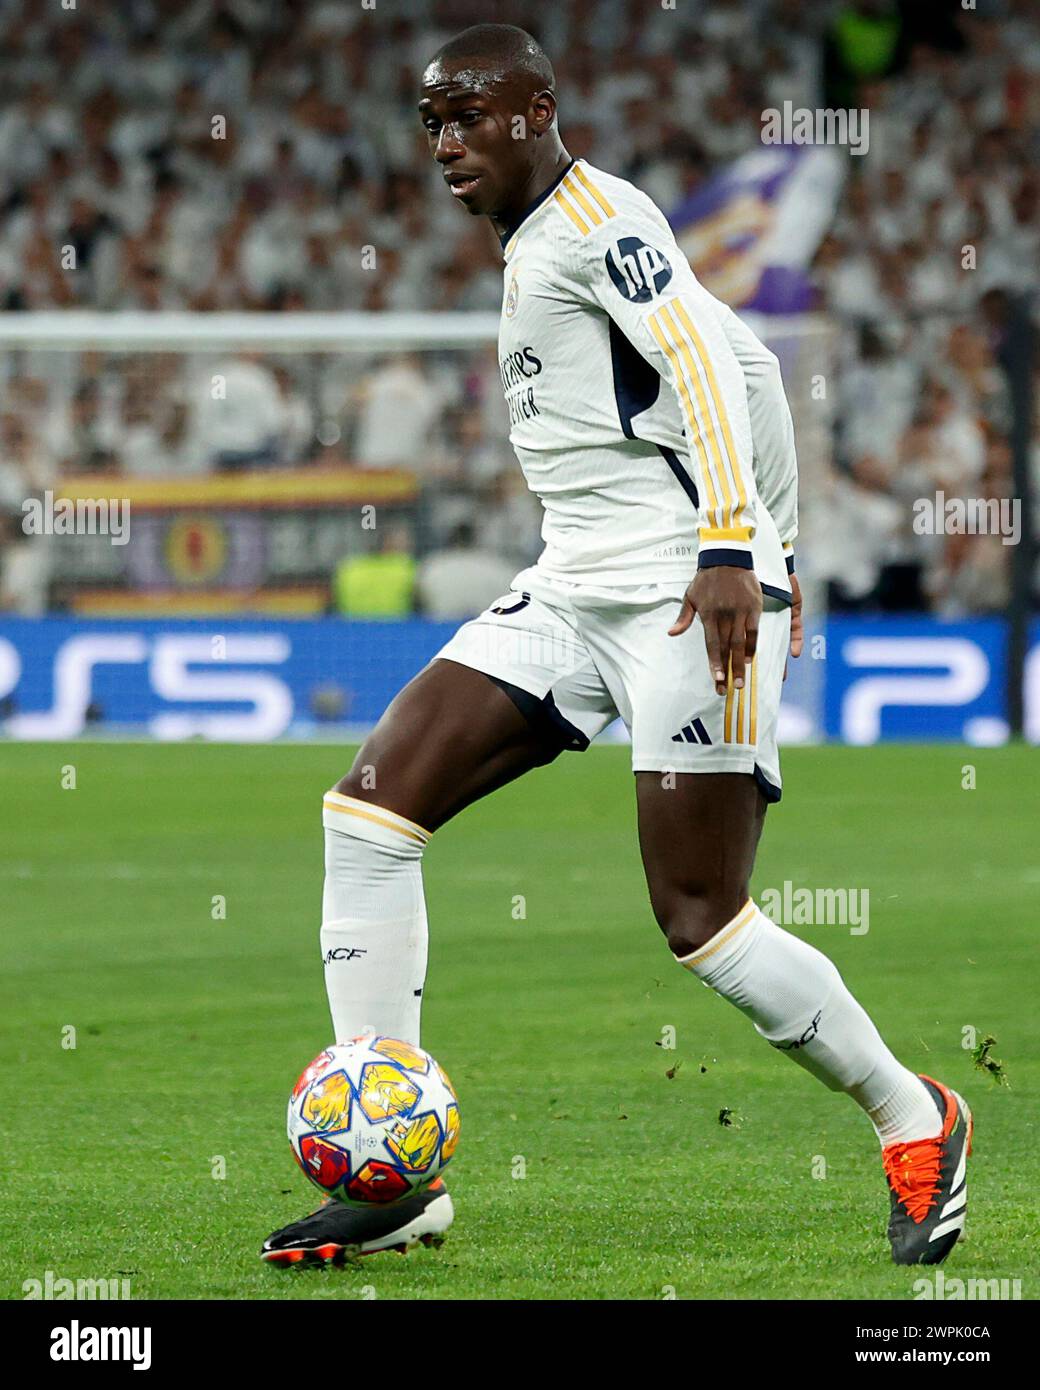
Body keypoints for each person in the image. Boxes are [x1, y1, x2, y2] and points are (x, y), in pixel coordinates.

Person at [262, 23, 971, 1269]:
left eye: (470, 115)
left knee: (699, 916)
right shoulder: (537, 241)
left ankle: (915, 1116)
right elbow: (743, 365)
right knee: (366, 816)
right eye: (432, 121)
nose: (446, 144)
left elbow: (706, 355)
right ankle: (398, 1179)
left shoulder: (600, 219)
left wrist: (739, 550)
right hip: (573, 588)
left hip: (684, 595)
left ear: (537, 109)